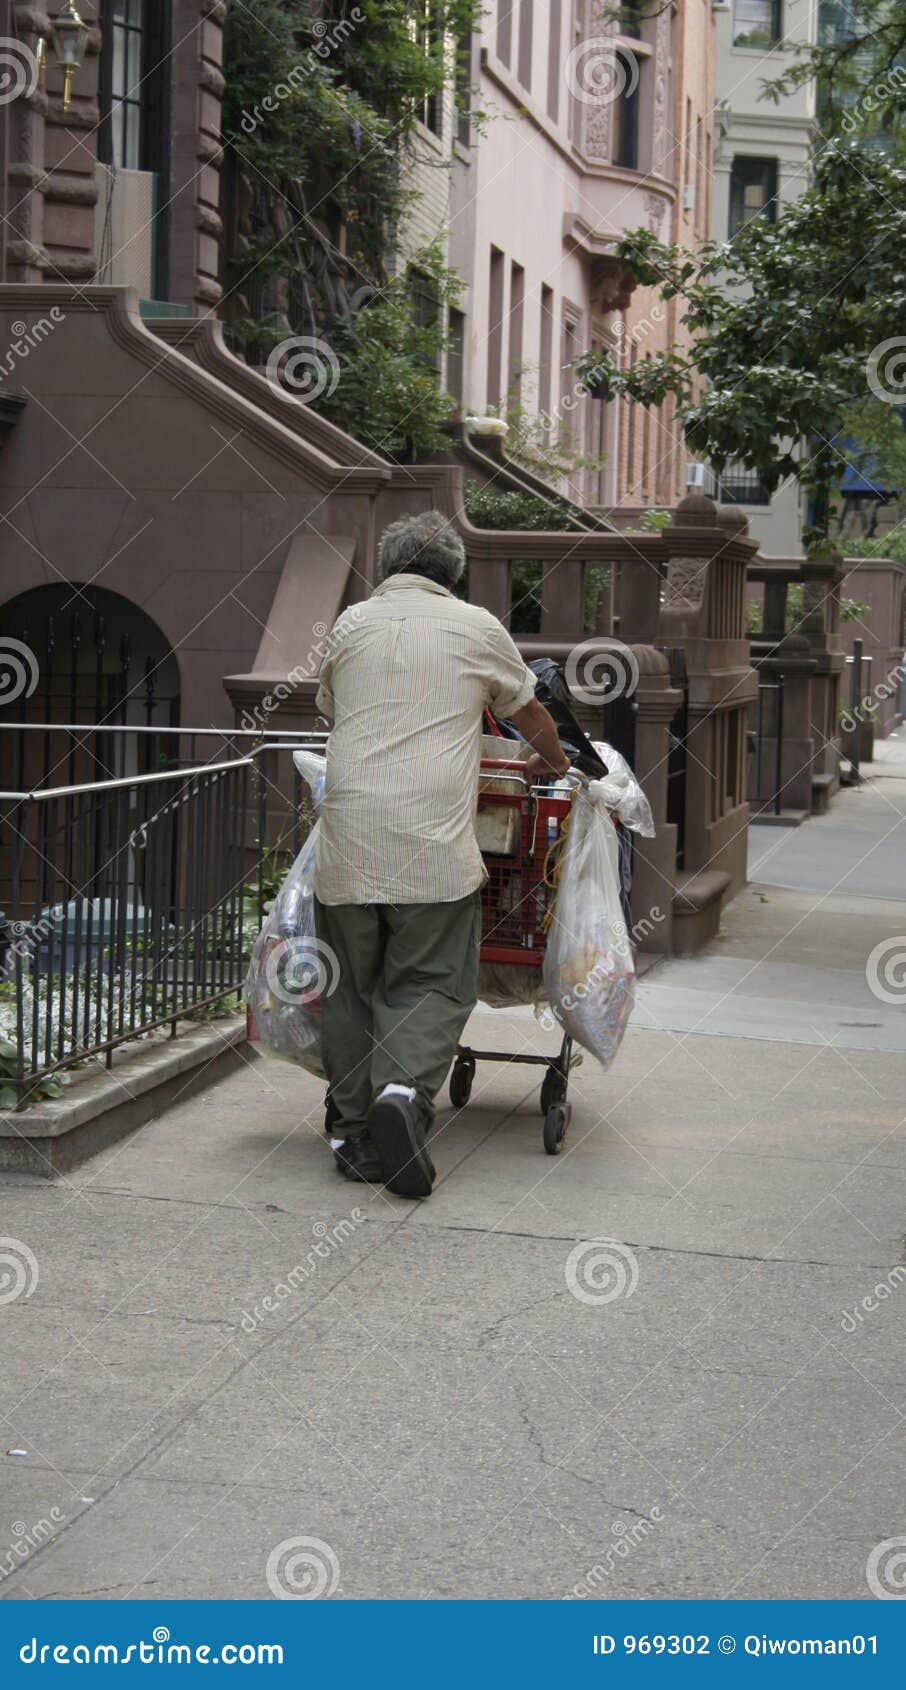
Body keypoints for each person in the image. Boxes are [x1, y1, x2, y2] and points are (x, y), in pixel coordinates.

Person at [313, 510, 569, 1198]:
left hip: (347, 843)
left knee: (349, 986)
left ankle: (352, 1131)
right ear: (454, 575)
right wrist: (555, 761)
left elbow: (332, 708)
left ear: (388, 568)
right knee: (429, 981)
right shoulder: (477, 627)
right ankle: (402, 1093)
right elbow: (531, 712)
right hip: (431, 846)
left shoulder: (350, 625)